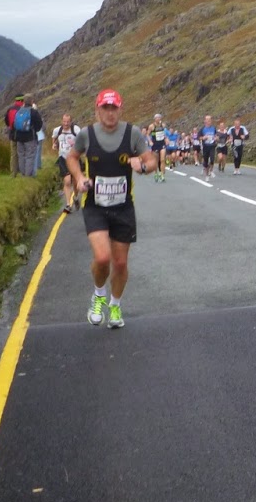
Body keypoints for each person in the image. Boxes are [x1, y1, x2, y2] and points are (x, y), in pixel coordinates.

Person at [67, 89, 157, 330]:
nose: (109, 113)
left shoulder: (132, 134)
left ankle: (115, 305)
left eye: (113, 108)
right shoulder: (86, 134)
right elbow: (72, 157)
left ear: (120, 109)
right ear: (97, 110)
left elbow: (152, 161)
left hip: (123, 207)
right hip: (95, 206)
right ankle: (98, 295)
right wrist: (79, 177)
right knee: (102, 257)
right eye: (105, 108)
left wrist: (142, 166)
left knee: (119, 264)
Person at [52, 113, 82, 213]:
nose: (65, 124)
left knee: (75, 182)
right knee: (67, 181)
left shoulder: (76, 130)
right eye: (64, 121)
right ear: (62, 121)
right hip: (63, 158)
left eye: (67, 122)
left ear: (71, 121)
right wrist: (54, 145)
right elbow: (54, 138)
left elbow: (82, 140)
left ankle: (76, 197)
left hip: (74, 158)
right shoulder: (58, 130)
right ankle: (68, 204)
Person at [22, 99, 44, 176]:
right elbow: (39, 124)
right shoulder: (35, 114)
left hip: (24, 136)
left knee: (24, 155)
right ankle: (32, 172)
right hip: (35, 136)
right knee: (34, 154)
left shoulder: (23, 114)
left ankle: (23, 172)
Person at [147, 113, 170, 183]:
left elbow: (164, 134)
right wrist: (150, 141)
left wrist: (166, 139)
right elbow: (147, 134)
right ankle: (156, 173)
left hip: (162, 143)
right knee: (156, 160)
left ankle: (162, 174)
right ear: (154, 119)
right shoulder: (151, 126)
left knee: (162, 159)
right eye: (157, 118)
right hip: (155, 144)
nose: (158, 119)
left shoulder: (163, 125)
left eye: (159, 118)